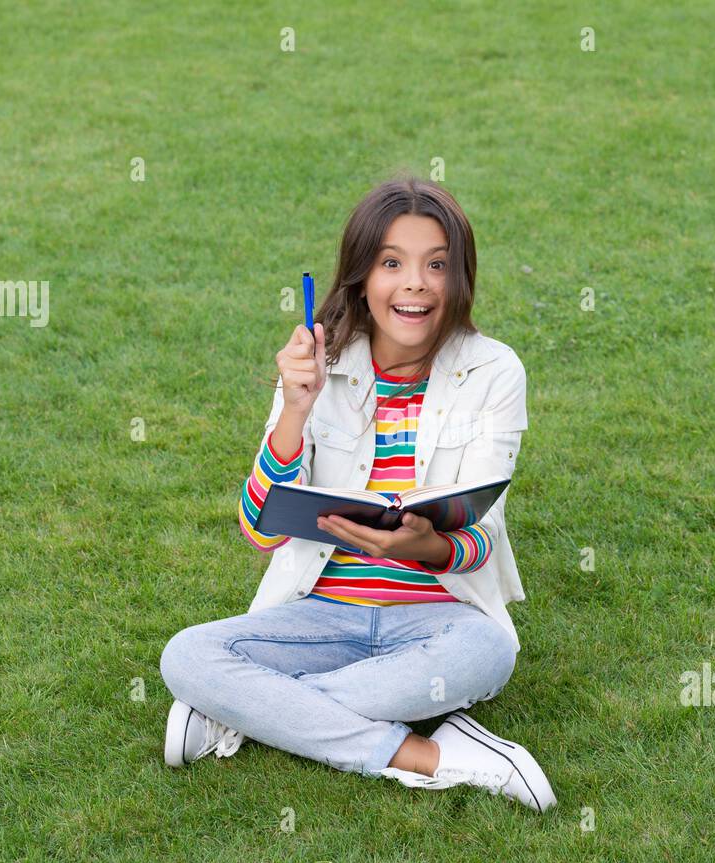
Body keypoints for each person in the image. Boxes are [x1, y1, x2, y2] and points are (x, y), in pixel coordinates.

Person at [159, 176, 555, 812]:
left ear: (461, 280)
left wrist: (428, 545)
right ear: (360, 279)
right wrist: (294, 408)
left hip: (440, 619)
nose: (415, 284)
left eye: (436, 265)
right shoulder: (319, 364)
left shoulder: (493, 370)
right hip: (322, 613)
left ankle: (240, 713)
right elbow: (261, 531)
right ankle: (435, 753)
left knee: (490, 651)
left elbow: (483, 533)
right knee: (186, 655)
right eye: (391, 263)